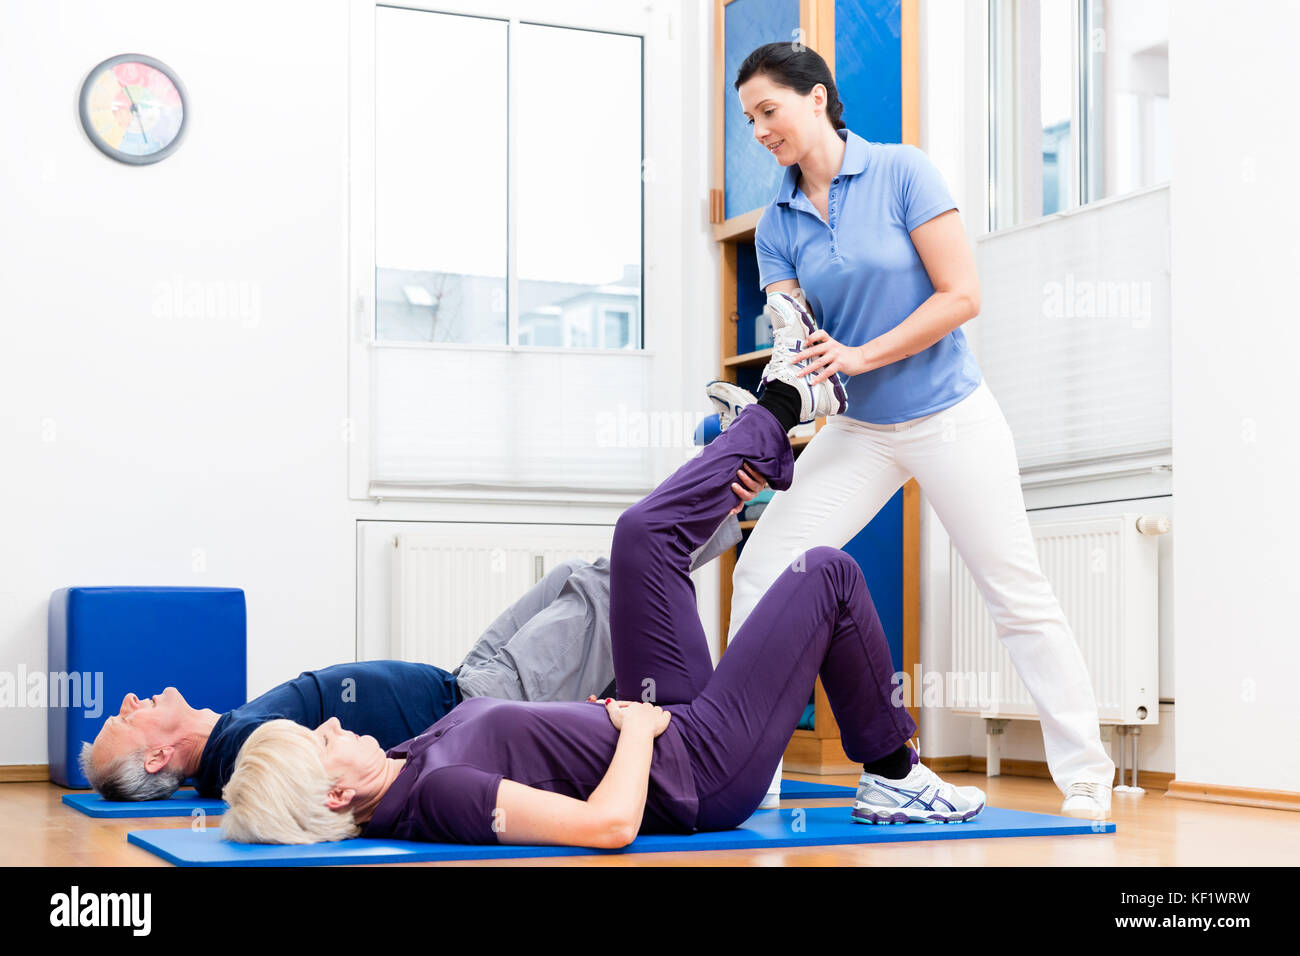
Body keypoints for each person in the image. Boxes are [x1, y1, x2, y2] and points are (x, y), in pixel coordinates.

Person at [220, 353, 985, 847]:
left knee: (640, 537)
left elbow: (544, 757)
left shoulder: (399, 763)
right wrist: (632, 735)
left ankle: (774, 417)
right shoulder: (440, 796)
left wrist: (596, 718)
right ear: (338, 790)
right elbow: (608, 826)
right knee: (825, 573)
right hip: (698, 768)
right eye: (319, 743)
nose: (326, 724)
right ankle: (895, 774)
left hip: (658, 724)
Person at [722, 42, 1115, 819]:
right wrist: (761, 434)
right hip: (862, 429)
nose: (760, 130)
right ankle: (745, 770)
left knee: (1016, 595)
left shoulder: (903, 171)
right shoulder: (779, 223)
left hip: (950, 415)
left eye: (769, 111)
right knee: (760, 570)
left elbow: (961, 295)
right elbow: (796, 339)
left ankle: (1085, 779)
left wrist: (859, 352)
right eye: (749, 119)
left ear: (817, 98)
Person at [77, 519, 753, 803]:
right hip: (476, 708)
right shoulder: (244, 758)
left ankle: (721, 494)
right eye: (123, 720)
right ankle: (733, 493)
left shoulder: (233, 730)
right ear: (159, 758)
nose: (129, 702)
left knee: (583, 574)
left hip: (459, 675)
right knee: (613, 587)